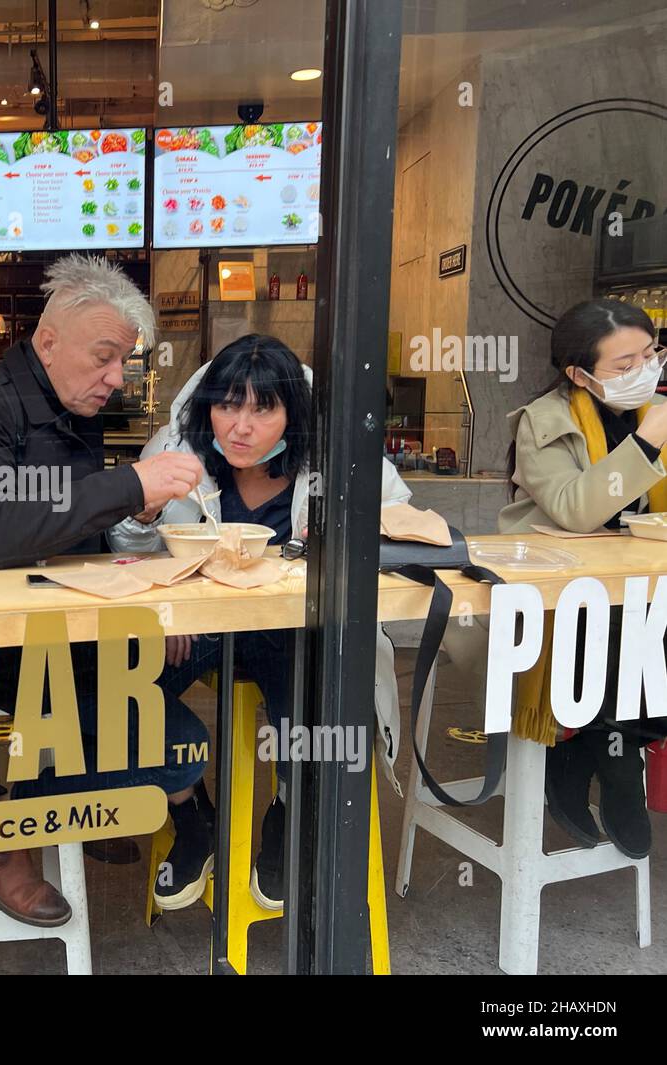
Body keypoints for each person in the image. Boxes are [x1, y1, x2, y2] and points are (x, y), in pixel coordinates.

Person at [0, 254, 209, 925]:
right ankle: (5, 825)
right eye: (104, 357)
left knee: (200, 647)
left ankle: (83, 786)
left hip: (72, 632)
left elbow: (67, 528)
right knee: (180, 746)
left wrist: (135, 548)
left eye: (124, 362)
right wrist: (132, 484)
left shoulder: (72, 409)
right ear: (47, 340)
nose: (115, 377)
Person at [110, 335, 411, 910]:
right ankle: (191, 813)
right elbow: (125, 553)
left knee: (315, 705)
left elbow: (404, 525)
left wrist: (337, 543)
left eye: (262, 408)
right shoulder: (179, 452)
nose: (240, 426)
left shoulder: (333, 457)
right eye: (227, 404)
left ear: (293, 414)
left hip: (298, 631)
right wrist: (158, 576)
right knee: (113, 689)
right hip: (200, 629)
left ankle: (286, 812)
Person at [500, 297, 667, 858]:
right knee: (614, 623)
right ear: (579, 374)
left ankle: (603, 750)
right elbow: (575, 509)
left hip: (639, 585)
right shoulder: (543, 420)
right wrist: (649, 441)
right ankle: (605, 756)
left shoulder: (653, 410)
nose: (644, 371)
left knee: (650, 618)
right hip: (553, 595)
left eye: (651, 355)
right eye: (625, 365)